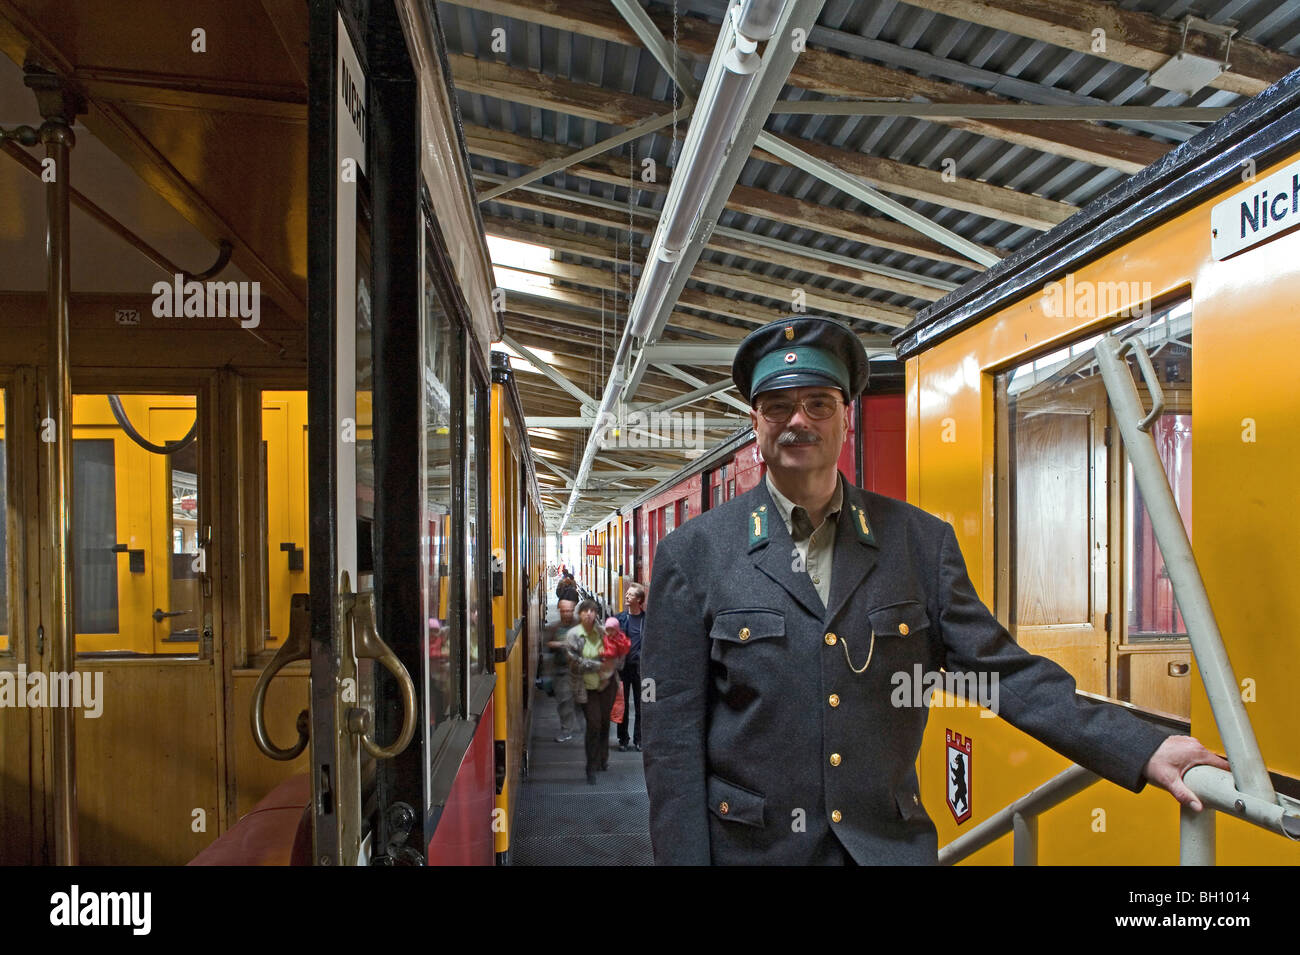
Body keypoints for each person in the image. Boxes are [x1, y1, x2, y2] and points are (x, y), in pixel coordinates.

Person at [640, 315, 1229, 865]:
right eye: (778, 406)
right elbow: (671, 741)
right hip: (753, 851)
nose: (799, 421)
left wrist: (1141, 746)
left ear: (846, 415)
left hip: (885, 849)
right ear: (756, 423)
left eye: (818, 403)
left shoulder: (919, 543)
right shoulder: (694, 554)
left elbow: (1002, 674)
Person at [565, 599, 624, 785]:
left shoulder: (604, 632)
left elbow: (618, 656)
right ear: (579, 614)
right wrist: (598, 665)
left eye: (592, 611)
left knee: (605, 721)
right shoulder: (574, 635)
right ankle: (590, 767)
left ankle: (602, 759)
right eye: (585, 611)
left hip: (607, 685)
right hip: (586, 688)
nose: (589, 614)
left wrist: (610, 665)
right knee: (594, 724)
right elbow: (574, 663)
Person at [543, 598, 580, 741]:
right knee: (564, 700)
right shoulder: (553, 627)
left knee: (582, 702)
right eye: (564, 611)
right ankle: (566, 730)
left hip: (580, 669)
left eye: (569, 611)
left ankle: (585, 726)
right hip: (561, 670)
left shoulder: (581, 624)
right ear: (559, 611)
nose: (566, 614)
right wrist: (560, 644)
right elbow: (547, 644)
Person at [616, 584, 647, 752]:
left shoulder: (647, 620)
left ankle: (639, 739)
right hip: (622, 668)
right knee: (623, 705)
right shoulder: (619, 619)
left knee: (643, 704)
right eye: (627, 593)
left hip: (641, 669)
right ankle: (623, 739)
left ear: (639, 600)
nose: (627, 596)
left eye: (631, 594)